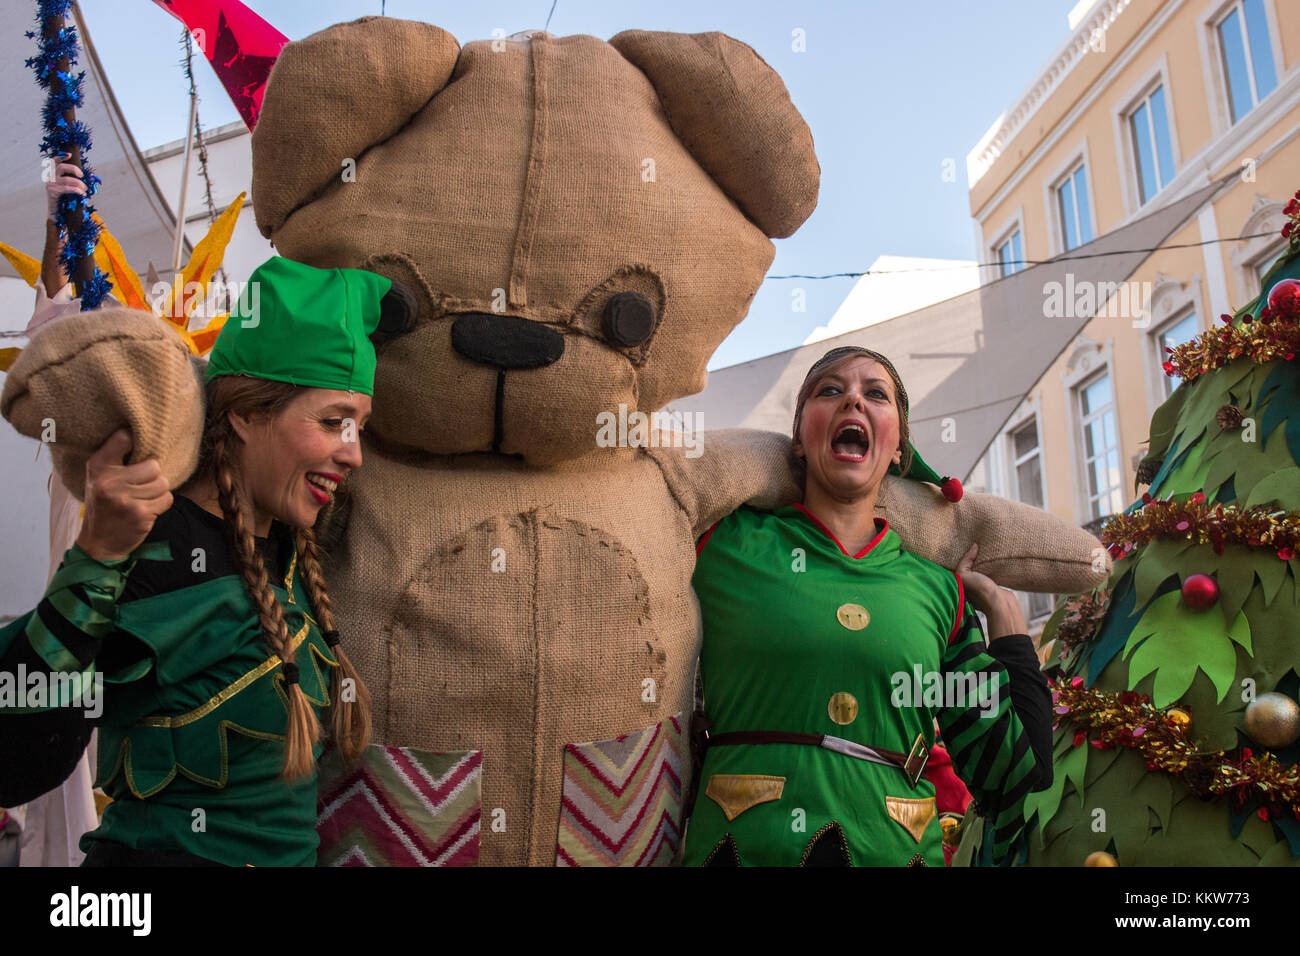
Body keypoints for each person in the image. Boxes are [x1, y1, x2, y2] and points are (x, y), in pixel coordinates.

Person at [0, 256, 404, 866]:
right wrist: (96, 557)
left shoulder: (295, 546)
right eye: (331, 422)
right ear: (244, 414)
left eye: (359, 428)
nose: (354, 456)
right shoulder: (154, 547)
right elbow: (16, 759)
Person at [681, 345, 1053, 867]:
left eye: (875, 394)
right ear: (798, 438)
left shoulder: (940, 592)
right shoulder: (719, 544)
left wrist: (1004, 618)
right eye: (829, 390)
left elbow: (1014, 775)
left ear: (899, 447)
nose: (852, 400)